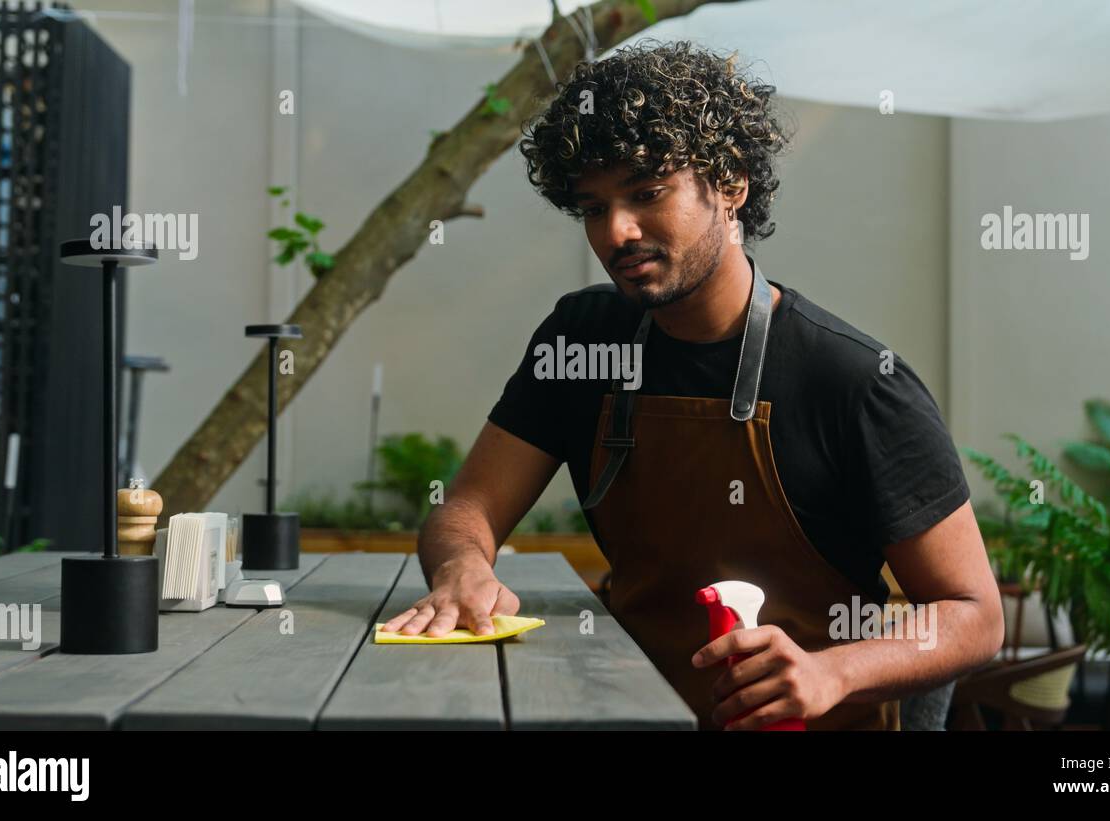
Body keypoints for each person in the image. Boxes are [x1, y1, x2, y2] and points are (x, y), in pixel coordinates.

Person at [382, 40, 1003, 730]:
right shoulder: (582, 338)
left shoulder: (854, 381)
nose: (617, 231)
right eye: (593, 207)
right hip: (625, 713)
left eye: (648, 193)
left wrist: (832, 670)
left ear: (731, 183)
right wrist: (462, 567)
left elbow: (974, 615)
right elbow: (466, 508)